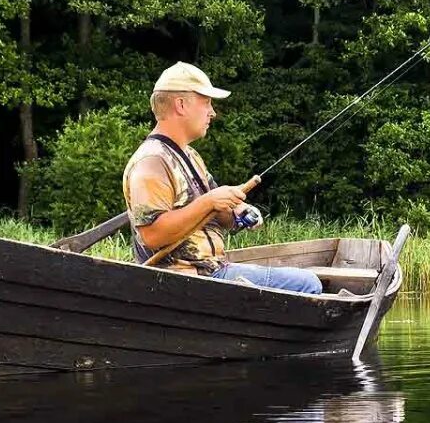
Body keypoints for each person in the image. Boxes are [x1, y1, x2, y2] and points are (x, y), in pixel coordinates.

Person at [122, 62, 322, 294]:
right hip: (184, 280)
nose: (212, 112)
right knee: (307, 283)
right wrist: (209, 201)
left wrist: (237, 212)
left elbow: (215, 212)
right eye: (206, 102)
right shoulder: (152, 161)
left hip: (210, 270)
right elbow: (152, 235)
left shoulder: (190, 155)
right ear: (181, 104)